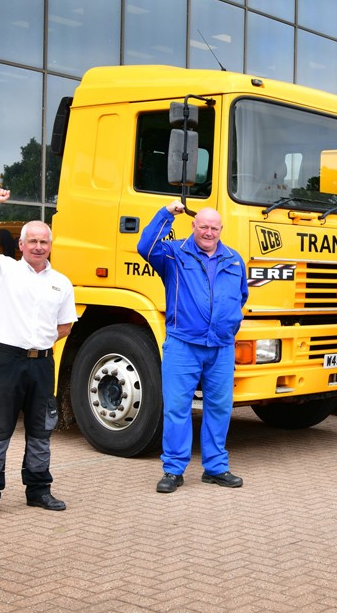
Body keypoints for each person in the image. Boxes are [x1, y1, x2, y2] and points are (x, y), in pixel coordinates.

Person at [0, 187, 77, 522]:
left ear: (50, 246)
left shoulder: (62, 283)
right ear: (21, 245)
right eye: (33, 241)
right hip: (6, 363)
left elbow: (65, 326)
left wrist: (37, 342)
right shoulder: (2, 270)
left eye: (44, 241)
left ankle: (39, 491)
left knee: (42, 433)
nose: (39, 246)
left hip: (41, 364)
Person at [139, 202, 248, 493]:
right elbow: (145, 246)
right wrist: (165, 213)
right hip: (183, 344)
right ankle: (173, 470)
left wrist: (228, 325)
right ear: (193, 226)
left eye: (214, 227)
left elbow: (240, 297)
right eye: (203, 226)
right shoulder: (174, 254)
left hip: (222, 347)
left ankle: (215, 467)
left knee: (220, 407)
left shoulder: (234, 260)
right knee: (177, 408)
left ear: (221, 230)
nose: (209, 232)